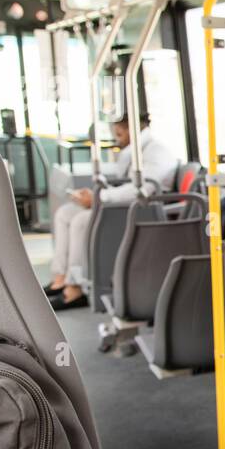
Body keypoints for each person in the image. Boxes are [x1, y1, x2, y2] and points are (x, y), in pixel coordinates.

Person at [46, 112, 179, 311]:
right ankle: (61, 278)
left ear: (130, 130)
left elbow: (143, 189)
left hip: (145, 210)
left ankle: (75, 288)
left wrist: (100, 198)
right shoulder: (135, 151)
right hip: (130, 205)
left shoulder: (156, 152)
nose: (117, 140)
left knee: (82, 220)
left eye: (119, 135)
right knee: (65, 213)